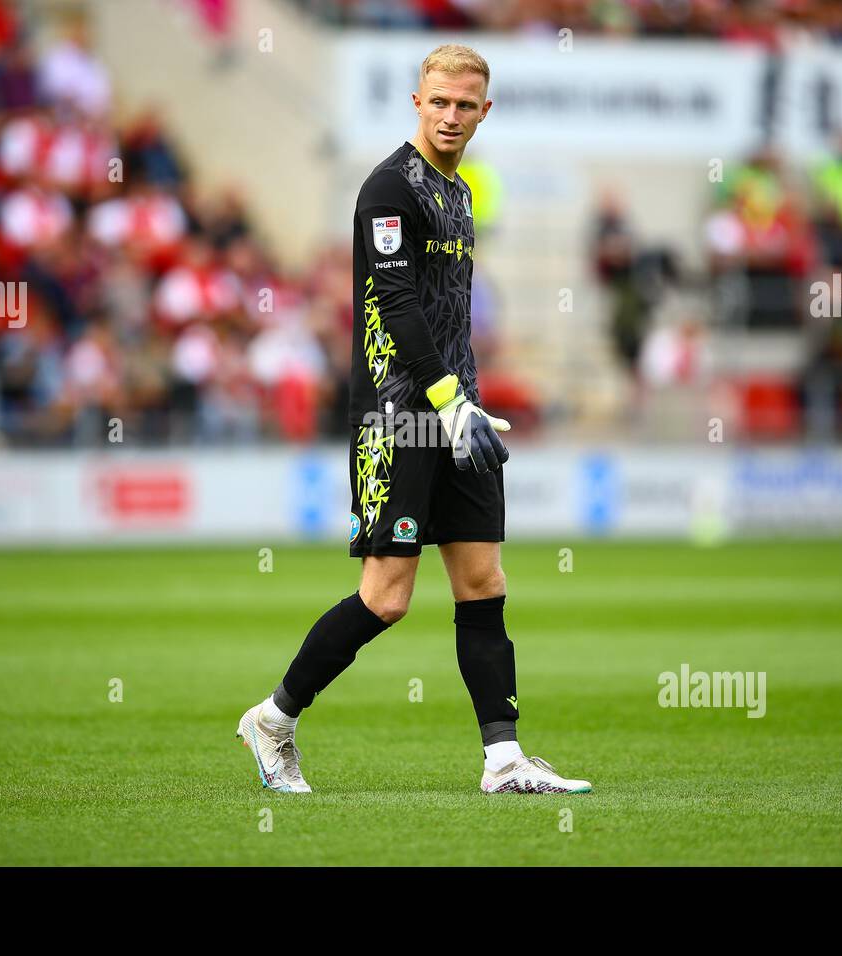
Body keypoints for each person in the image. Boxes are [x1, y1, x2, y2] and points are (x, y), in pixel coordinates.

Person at [236, 44, 591, 795]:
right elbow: (395, 309)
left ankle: (503, 760)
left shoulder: (459, 191)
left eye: (466, 105)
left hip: (458, 411)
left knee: (484, 581)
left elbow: (449, 314)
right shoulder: (388, 189)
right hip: (401, 417)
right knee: (387, 598)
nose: (452, 116)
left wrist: (469, 401)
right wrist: (448, 401)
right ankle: (273, 719)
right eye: (440, 102)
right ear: (417, 101)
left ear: (484, 111)